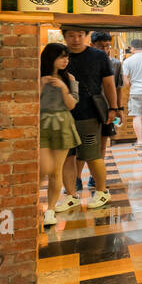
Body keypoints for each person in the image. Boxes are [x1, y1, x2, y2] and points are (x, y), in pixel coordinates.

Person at [60, 27, 117, 210]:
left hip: (90, 113)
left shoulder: (99, 56)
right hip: (62, 115)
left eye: (79, 35)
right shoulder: (59, 55)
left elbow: (109, 83)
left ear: (86, 36)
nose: (76, 39)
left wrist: (114, 107)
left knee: (92, 155)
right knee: (66, 157)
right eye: (71, 35)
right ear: (65, 37)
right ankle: (71, 195)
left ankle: (102, 192)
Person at [38, 43, 81, 227]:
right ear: (50, 58)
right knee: (42, 169)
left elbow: (72, 105)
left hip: (62, 125)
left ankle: (50, 210)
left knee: (55, 171)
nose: (66, 61)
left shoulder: (69, 78)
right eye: (62, 57)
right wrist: (41, 84)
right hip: (41, 125)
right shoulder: (39, 77)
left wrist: (63, 88)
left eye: (67, 57)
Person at [89, 32, 124, 183]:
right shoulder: (88, 62)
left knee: (103, 145)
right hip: (89, 108)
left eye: (107, 46)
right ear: (92, 46)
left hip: (107, 110)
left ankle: (95, 177)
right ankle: (77, 177)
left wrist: (118, 109)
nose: (104, 50)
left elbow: (118, 88)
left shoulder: (115, 64)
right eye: (100, 47)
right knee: (86, 145)